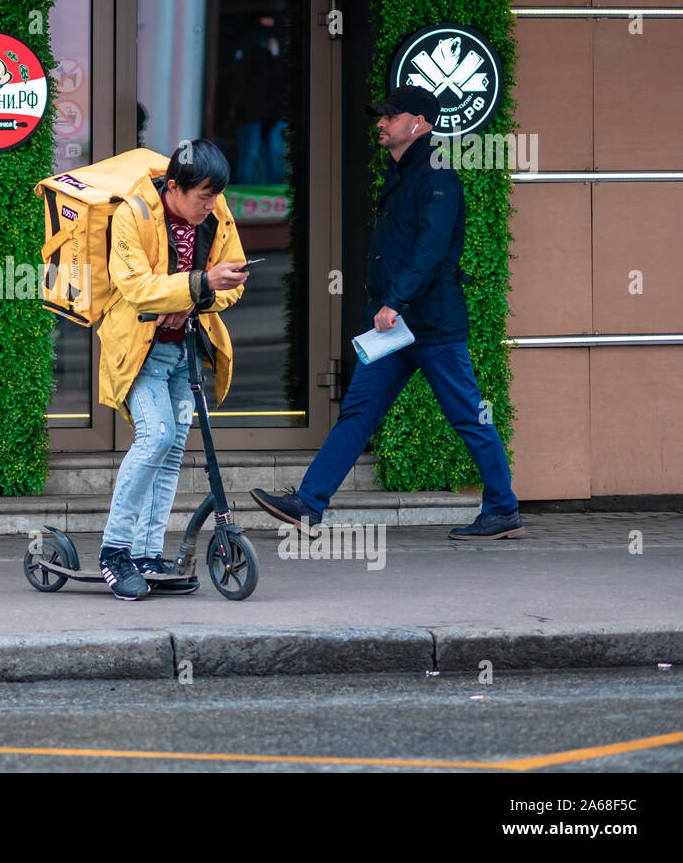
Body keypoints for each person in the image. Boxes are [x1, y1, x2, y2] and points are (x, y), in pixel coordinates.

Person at [252, 86, 523, 541]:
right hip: (395, 328)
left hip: (431, 325)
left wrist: (395, 302)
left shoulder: (436, 176)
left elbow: (432, 250)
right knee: (358, 412)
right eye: (380, 116)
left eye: (391, 116)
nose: (381, 122)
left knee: (467, 415)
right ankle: (308, 505)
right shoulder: (401, 174)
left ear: (419, 123)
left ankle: (503, 510)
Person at [97, 139, 251, 599]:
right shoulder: (134, 214)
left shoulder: (217, 215)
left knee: (172, 449)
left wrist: (196, 299)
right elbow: (137, 288)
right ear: (177, 187)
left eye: (214, 196)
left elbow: (234, 286)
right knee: (157, 436)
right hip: (138, 351)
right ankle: (114, 552)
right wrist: (200, 284)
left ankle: (147, 553)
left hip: (186, 351)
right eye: (203, 196)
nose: (211, 205)